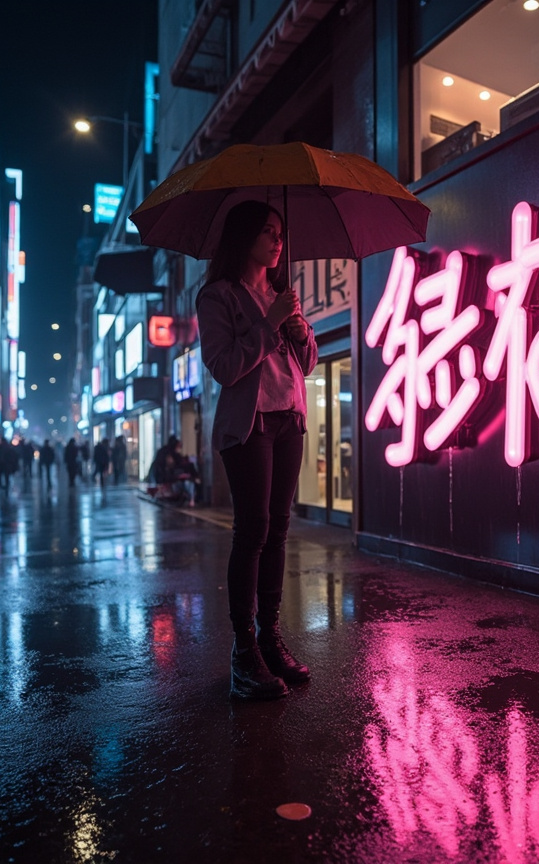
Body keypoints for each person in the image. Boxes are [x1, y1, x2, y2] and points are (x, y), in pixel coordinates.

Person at [196, 199, 317, 700]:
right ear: (244, 236)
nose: (278, 241)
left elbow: (307, 363)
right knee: (254, 531)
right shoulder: (217, 296)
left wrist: (296, 326)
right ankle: (243, 651)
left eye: (281, 233)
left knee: (279, 530)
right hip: (249, 429)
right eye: (268, 231)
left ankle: (271, 639)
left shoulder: (281, 294)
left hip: (289, 421)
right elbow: (223, 367)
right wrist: (268, 324)